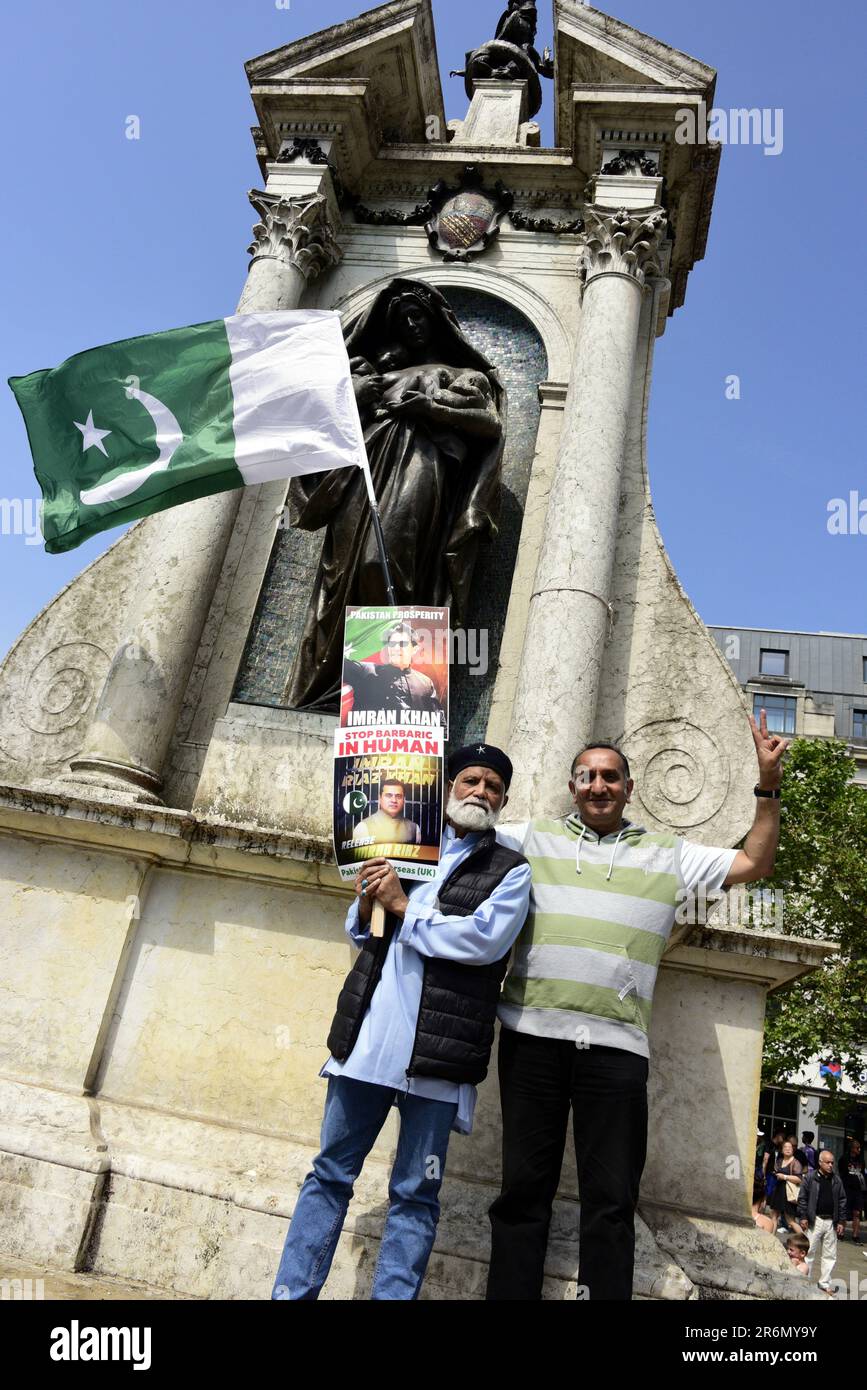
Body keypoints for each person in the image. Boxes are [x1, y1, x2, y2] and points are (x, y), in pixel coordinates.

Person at [486, 707, 789, 1301]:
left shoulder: (668, 854)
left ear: (629, 788)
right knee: (522, 1193)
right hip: (530, 1040)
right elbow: (451, 835)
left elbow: (756, 861)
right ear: (572, 787)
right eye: (586, 776)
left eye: (609, 777)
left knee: (612, 1203)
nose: (597, 785)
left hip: (617, 1052)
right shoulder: (528, 839)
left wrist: (768, 784)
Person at [271, 744, 531, 1300]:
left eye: (492, 786)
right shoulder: (405, 843)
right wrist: (372, 896)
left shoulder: (510, 869)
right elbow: (361, 929)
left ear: (504, 799)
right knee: (329, 1176)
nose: (480, 792)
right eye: (470, 780)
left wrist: (407, 908)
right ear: (447, 788)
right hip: (367, 1044)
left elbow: (483, 943)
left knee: (415, 1193)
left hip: (439, 1061)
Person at [284, 279, 505, 710]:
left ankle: (392, 701)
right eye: (401, 318)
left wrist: (430, 409)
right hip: (364, 471)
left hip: (421, 463)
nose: (410, 324)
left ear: (435, 321)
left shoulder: (462, 375)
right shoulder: (375, 375)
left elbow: (489, 424)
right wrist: (356, 391)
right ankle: (338, 692)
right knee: (343, 570)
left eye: (417, 314)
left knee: (384, 562)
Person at [345, 624, 444, 725]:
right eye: (392, 643)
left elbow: (440, 723)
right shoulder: (365, 671)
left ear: (414, 649)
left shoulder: (426, 684)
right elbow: (337, 664)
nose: (396, 648)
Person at [798, 1150, 848, 1294]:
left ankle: (824, 1283)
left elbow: (842, 1200)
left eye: (832, 1162)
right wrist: (803, 1216)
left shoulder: (837, 1180)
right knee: (808, 1251)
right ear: (820, 1162)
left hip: (831, 1221)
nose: (831, 1165)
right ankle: (804, 1280)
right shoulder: (810, 1178)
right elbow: (803, 1198)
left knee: (830, 1255)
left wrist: (841, 1222)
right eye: (827, 1162)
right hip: (815, 1220)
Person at [352, 778, 422, 846]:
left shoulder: (415, 829)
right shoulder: (363, 827)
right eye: (388, 795)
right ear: (380, 798)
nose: (394, 800)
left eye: (398, 796)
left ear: (403, 800)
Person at [772, 1139, 803, 1236]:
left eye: (790, 1147)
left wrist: (784, 1177)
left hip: (788, 1193)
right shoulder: (779, 1161)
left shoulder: (795, 1162)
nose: (788, 1149)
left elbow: (799, 1179)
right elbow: (776, 1171)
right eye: (785, 1147)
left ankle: (805, 1240)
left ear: (793, 1150)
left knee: (790, 1221)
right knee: (774, 1216)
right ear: (782, 1150)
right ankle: (771, 1239)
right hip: (778, 1190)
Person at [838, 1137, 865, 1243]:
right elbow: (841, 1173)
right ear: (852, 1148)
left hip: (858, 1190)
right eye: (857, 1148)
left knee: (857, 1212)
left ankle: (855, 1235)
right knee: (844, 1212)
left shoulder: (861, 1160)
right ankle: (840, 1233)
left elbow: (863, 1173)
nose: (859, 1150)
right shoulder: (844, 1159)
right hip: (847, 1189)